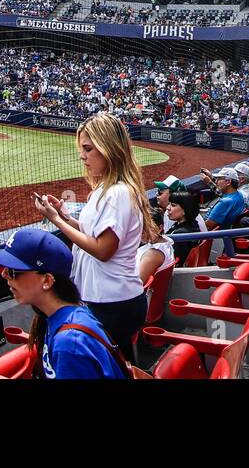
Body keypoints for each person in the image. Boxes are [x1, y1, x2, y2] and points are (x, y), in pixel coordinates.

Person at [32, 112, 153, 362]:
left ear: (108, 148)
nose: (82, 156)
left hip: (112, 302)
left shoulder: (117, 193)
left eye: (88, 149)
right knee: (117, 365)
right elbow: (93, 236)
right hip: (111, 298)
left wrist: (55, 221)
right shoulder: (106, 189)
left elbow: (103, 250)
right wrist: (64, 217)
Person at [0, 228, 127, 379]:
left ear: (46, 280)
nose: (4, 274)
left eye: (13, 271)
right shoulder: (63, 315)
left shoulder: (69, 344)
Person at [165, 192, 205, 264]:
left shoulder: (180, 234)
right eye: (169, 204)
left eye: (173, 205)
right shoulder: (192, 225)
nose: (167, 208)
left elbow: (174, 262)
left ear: (185, 210)